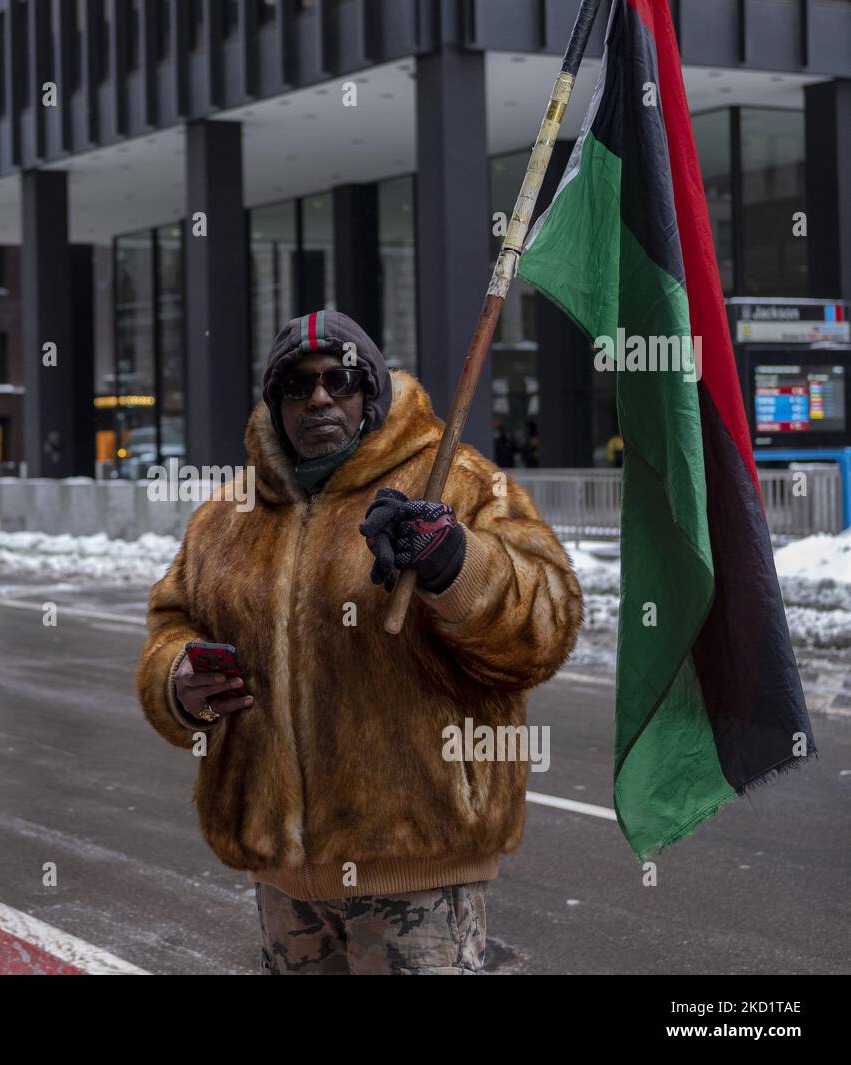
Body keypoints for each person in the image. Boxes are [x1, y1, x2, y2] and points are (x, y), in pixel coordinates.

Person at [136, 309, 583, 974]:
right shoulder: (224, 519)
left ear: (368, 391)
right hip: (285, 880)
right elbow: (171, 627)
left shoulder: (457, 482)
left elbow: (547, 625)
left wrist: (455, 563)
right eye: (297, 383)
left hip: (417, 871)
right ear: (275, 401)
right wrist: (178, 681)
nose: (319, 396)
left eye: (339, 379)